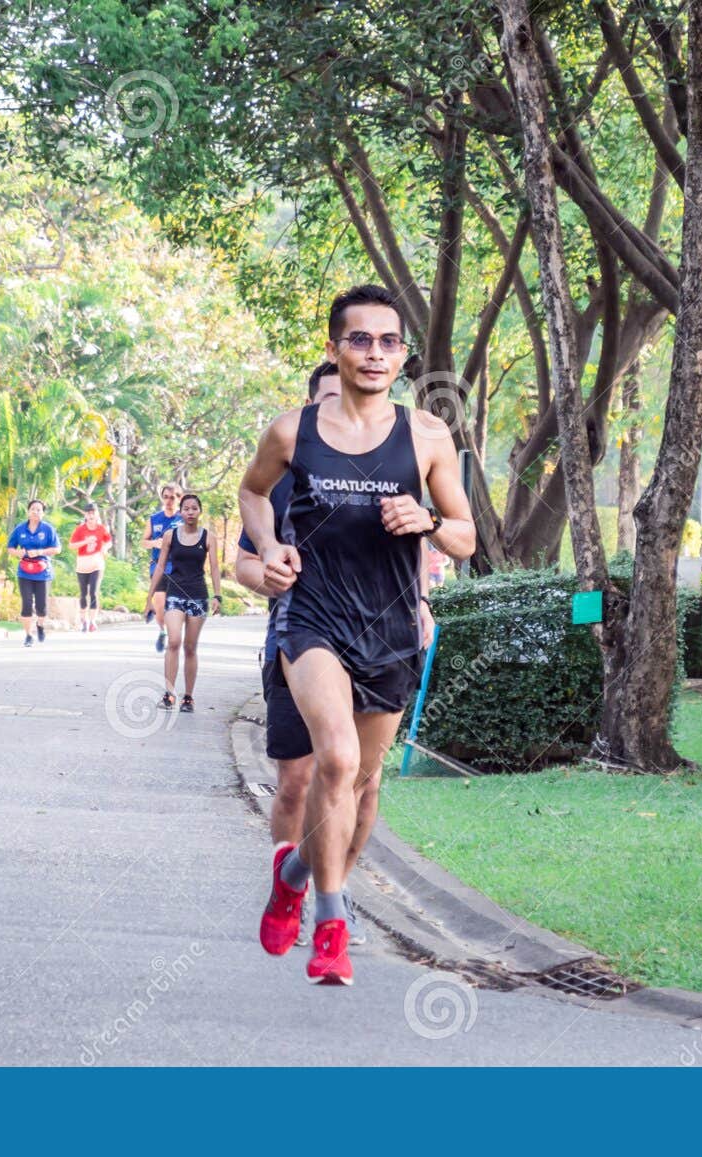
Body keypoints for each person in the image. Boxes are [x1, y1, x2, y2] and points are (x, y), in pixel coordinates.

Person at [240, 284, 475, 986]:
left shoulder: (428, 436)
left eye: (389, 341)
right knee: (335, 761)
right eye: (360, 339)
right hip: (313, 620)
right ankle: (333, 924)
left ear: (403, 354)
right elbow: (253, 493)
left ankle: (294, 871)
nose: (375, 353)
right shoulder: (293, 431)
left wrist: (428, 522)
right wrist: (269, 547)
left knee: (363, 783)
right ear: (334, 347)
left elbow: (464, 535)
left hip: (393, 626)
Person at [234, 361, 436, 949]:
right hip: (302, 637)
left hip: (381, 638)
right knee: (302, 778)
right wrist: (268, 566)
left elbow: (433, 541)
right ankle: (303, 895)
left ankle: (331, 890)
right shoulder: (288, 470)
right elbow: (246, 561)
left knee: (360, 780)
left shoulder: (399, 461)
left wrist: (419, 597)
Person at [147, 493, 222, 713]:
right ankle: (169, 694)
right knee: (174, 641)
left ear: (199, 511)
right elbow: (160, 566)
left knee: (190, 647)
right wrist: (149, 596)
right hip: (174, 595)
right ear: (180, 512)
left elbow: (215, 568)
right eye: (186, 508)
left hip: (198, 596)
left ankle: (188, 697)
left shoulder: (208, 537)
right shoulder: (171, 536)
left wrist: (217, 595)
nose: (190, 512)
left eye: (194, 508)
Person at [7, 498, 61, 647]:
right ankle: (28, 635)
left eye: (39, 510)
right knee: (26, 604)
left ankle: (40, 625)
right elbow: (10, 548)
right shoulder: (19, 529)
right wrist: (19, 553)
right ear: (28, 512)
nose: (35, 512)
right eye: (33, 509)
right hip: (24, 572)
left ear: (42, 513)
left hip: (43, 572)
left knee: (42, 607)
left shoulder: (48, 529)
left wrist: (40, 551)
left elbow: (57, 549)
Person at [141, 484, 184, 653]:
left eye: (172, 497)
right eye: (165, 496)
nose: (168, 500)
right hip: (158, 566)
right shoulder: (154, 519)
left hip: (178, 567)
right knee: (160, 607)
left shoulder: (184, 519)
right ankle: (162, 631)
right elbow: (144, 541)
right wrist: (154, 543)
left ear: (179, 499)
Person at [68, 504, 114, 632]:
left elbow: (109, 541)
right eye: (88, 513)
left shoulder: (101, 528)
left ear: (97, 514)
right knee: (83, 593)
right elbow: (71, 545)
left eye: (93, 512)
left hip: (97, 563)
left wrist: (105, 548)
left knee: (93, 592)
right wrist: (85, 542)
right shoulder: (80, 529)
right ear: (85, 515)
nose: (91, 515)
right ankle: (84, 620)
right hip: (82, 563)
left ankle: (93, 621)